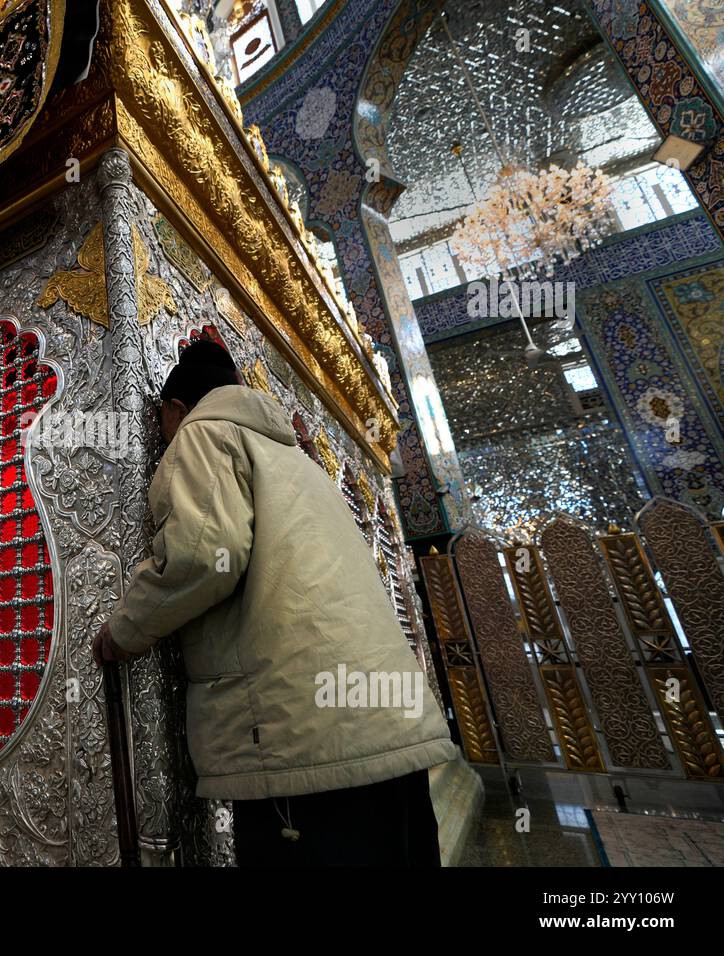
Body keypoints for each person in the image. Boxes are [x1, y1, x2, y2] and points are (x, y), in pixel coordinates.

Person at [92, 339, 458, 866]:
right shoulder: (296, 460)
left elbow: (202, 555)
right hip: (385, 729)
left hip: (303, 742)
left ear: (175, 408)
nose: (159, 438)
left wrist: (123, 631)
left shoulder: (202, 434)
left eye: (159, 424)